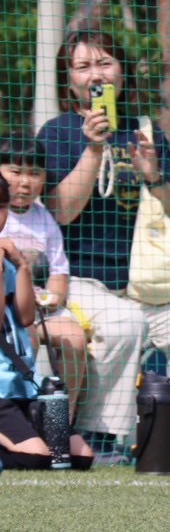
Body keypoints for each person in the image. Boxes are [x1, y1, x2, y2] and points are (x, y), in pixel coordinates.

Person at [38, 28, 170, 445]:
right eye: (83, 66)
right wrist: (93, 149)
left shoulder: (144, 131)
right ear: (69, 81)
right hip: (82, 283)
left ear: (122, 73)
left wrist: (153, 175)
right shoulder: (57, 132)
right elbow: (59, 212)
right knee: (123, 323)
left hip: (146, 285)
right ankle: (102, 436)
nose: (95, 74)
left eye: (105, 63)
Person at [0, 202, 94, 470]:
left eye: (1, 206)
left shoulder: (7, 259)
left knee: (79, 457)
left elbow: (26, 317)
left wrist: (21, 268)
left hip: (21, 383)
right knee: (37, 457)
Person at [0, 135, 88, 420]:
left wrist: (54, 298)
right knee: (27, 339)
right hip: (10, 314)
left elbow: (59, 269)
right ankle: (22, 413)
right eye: (15, 171)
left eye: (34, 173)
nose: (25, 182)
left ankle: (63, 420)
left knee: (75, 338)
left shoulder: (43, 218)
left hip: (41, 309)